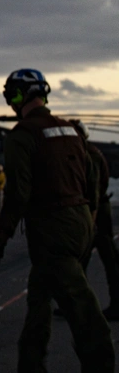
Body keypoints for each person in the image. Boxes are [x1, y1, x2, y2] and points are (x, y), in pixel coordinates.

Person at [0, 69, 114, 372]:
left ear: (21, 96)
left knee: (84, 312)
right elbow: (93, 176)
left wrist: (0, 239)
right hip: (81, 224)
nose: (11, 102)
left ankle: (101, 366)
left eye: (12, 95)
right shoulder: (70, 130)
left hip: (53, 231)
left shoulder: (23, 135)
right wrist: (89, 217)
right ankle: (30, 364)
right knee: (38, 302)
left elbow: (18, 194)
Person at [72, 119, 119, 320]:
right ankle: (75, 303)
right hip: (91, 212)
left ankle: (116, 304)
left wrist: (91, 218)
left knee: (110, 260)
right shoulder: (81, 154)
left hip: (97, 213)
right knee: (81, 261)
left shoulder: (88, 156)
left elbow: (95, 190)